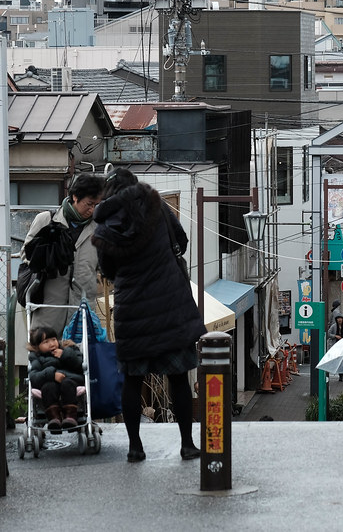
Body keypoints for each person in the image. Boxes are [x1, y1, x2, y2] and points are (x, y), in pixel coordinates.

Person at [91, 169, 205, 463]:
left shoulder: (104, 226)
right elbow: (181, 240)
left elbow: (107, 270)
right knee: (178, 377)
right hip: (170, 304)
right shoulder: (157, 206)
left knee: (132, 380)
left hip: (133, 311)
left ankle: (135, 447)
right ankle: (187, 444)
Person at [20, 173, 105, 333]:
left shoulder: (98, 228)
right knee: (45, 348)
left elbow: (104, 264)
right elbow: (26, 254)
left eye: (96, 205)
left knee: (79, 348)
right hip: (48, 306)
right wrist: (48, 255)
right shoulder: (47, 220)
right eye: (89, 204)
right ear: (75, 196)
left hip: (82, 307)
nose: (92, 209)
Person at [27, 326, 84, 432]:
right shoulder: (37, 357)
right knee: (48, 387)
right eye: (46, 342)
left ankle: (70, 417)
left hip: (70, 380)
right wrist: (52, 375)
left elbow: (79, 366)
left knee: (67, 384)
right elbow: (34, 377)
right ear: (37, 346)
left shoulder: (69, 349)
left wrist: (64, 355)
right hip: (50, 383)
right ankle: (54, 418)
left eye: (53, 339)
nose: (52, 344)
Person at [327, 314, 343, 381]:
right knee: (339, 360)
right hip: (336, 345)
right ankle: (341, 375)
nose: (339, 320)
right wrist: (335, 336)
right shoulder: (334, 326)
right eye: (338, 318)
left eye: (340, 318)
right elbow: (328, 333)